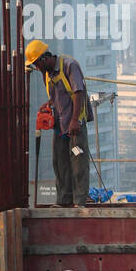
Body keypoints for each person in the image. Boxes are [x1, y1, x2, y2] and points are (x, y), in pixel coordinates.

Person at [25, 39, 93, 207]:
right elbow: (57, 95)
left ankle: (79, 201)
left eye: (36, 64)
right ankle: (64, 200)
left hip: (75, 126)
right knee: (60, 163)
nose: (37, 68)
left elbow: (78, 93)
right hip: (60, 127)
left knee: (78, 160)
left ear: (44, 58)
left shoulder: (69, 66)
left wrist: (75, 120)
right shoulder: (47, 74)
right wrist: (49, 103)